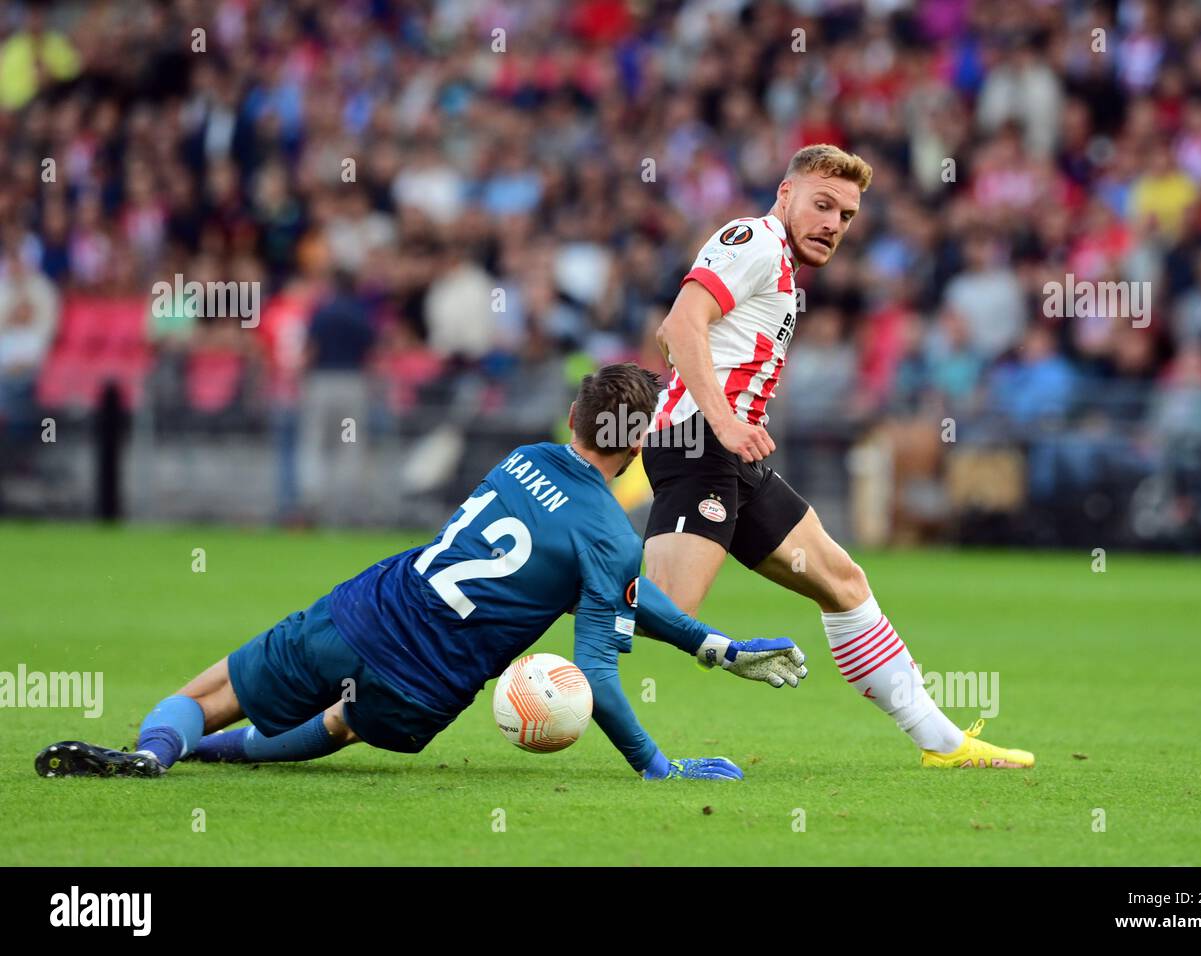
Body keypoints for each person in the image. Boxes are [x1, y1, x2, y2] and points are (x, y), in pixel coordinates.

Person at [35, 364, 807, 781]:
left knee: (214, 693)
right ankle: (210, 758)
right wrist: (659, 767)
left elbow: (619, 591)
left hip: (359, 618)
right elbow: (601, 665)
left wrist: (713, 644)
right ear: (637, 447)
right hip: (419, 700)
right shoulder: (609, 535)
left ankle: (158, 749)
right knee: (343, 722)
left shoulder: (520, 458)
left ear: (574, 421)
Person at [645, 144, 1034, 768]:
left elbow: (673, 334)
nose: (833, 224)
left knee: (844, 583)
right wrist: (722, 418)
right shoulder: (753, 241)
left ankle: (943, 744)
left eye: (846, 216)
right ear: (785, 194)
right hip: (701, 445)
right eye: (822, 204)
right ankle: (540, 584)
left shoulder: (781, 268)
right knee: (665, 610)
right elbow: (682, 321)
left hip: (729, 453)